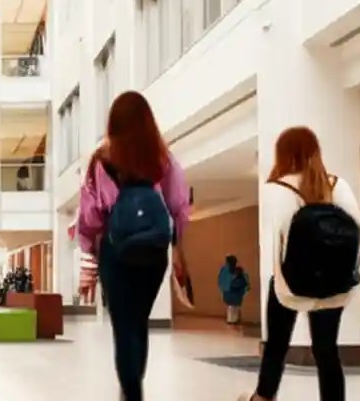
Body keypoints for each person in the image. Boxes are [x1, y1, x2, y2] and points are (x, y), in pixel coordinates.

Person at [75, 91, 191, 401]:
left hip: (117, 252)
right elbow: (179, 205)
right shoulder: (162, 159)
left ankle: (131, 393)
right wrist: (177, 248)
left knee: (122, 328)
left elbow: (91, 216)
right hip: (154, 254)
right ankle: (131, 391)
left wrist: (89, 256)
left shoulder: (102, 160)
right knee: (139, 323)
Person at [240, 126, 360, 401]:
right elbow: (358, 232)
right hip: (334, 285)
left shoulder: (275, 188)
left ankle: (263, 397)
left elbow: (276, 240)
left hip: (291, 285)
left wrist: (282, 280)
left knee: (276, 346)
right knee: (326, 351)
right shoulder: (336, 185)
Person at [218, 255, 250, 325]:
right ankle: (232, 320)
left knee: (234, 308)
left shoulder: (238, 271)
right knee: (232, 307)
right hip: (231, 293)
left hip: (235, 293)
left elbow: (245, 283)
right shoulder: (226, 271)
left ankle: (233, 320)